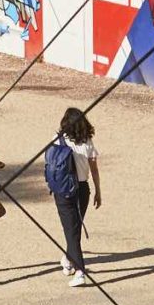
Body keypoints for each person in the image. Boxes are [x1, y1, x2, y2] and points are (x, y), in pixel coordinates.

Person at [45, 107, 102, 284]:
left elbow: (50, 161)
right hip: (83, 190)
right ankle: (68, 260)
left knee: (72, 230)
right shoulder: (88, 142)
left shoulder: (57, 139)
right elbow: (94, 169)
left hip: (63, 189)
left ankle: (80, 271)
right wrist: (98, 190)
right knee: (74, 229)